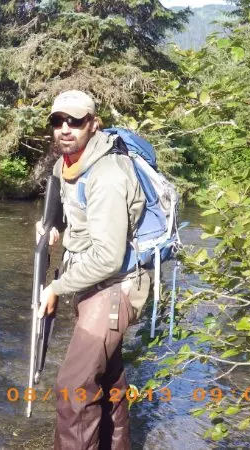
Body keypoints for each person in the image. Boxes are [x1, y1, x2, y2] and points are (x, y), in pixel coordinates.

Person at [36, 90, 151, 450]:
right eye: (58, 121)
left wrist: (56, 288)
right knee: (108, 381)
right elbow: (73, 213)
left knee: (72, 389)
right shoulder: (67, 164)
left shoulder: (108, 176)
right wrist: (54, 226)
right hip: (93, 287)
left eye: (75, 120)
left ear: (93, 124)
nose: (65, 129)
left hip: (115, 288)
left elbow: (107, 257)